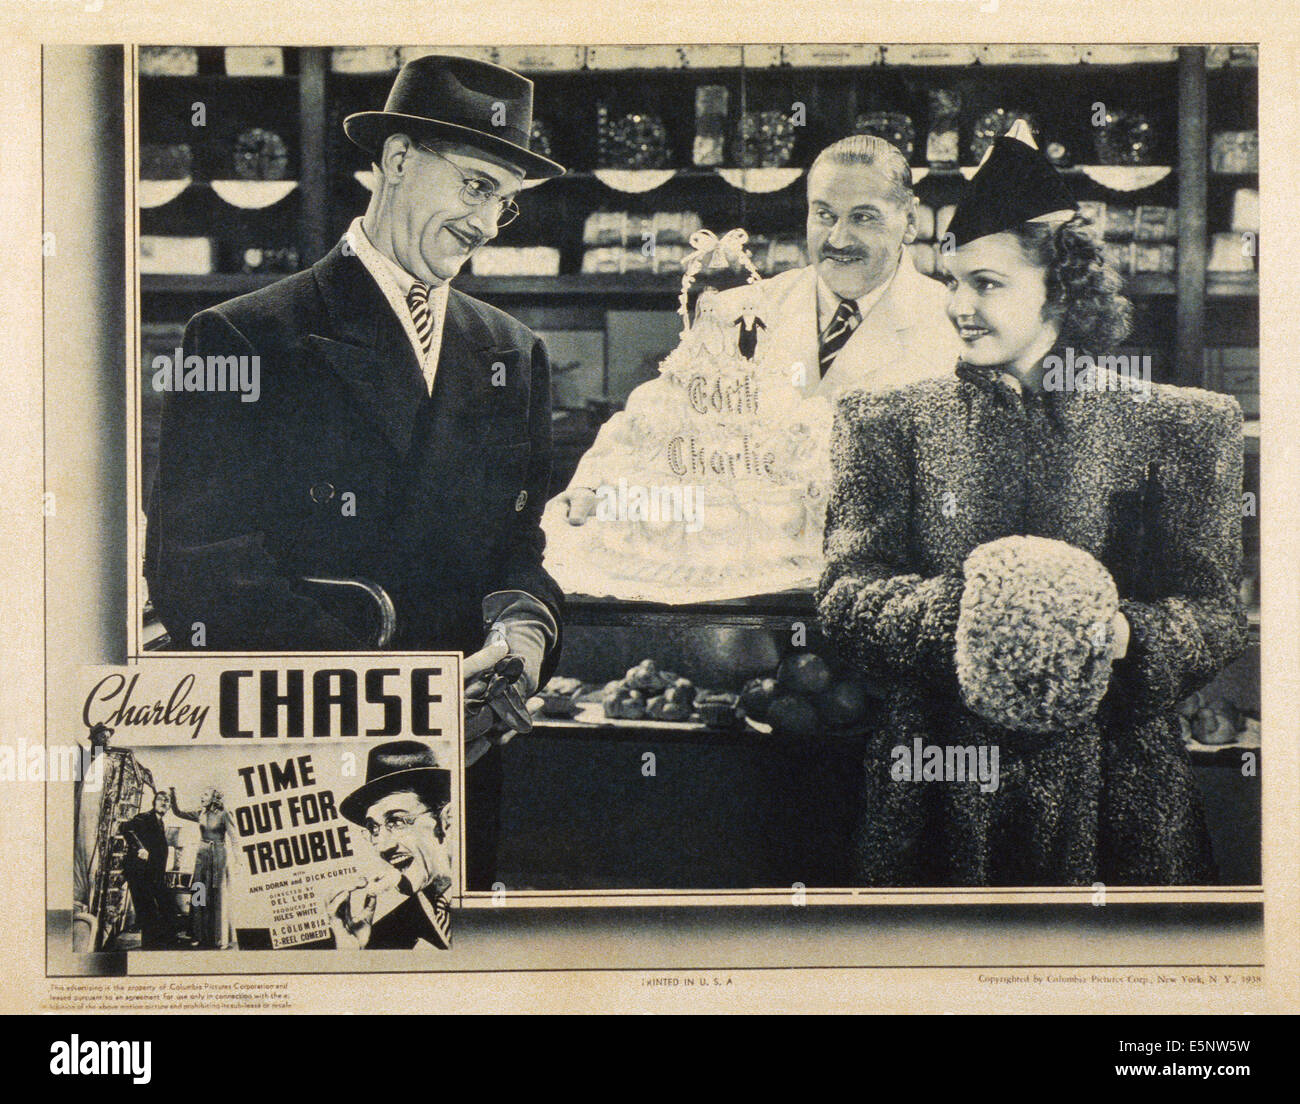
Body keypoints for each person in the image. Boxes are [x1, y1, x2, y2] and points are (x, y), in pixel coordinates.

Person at [143, 55, 568, 888]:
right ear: (400, 161)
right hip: (305, 772)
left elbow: (519, 547)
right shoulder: (240, 337)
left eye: (505, 203)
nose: (487, 224)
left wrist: (522, 637)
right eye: (476, 187)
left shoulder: (516, 353)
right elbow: (196, 570)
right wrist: (394, 692)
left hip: (462, 764)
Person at [816, 121, 1246, 886]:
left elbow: (1214, 613)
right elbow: (846, 597)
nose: (959, 306)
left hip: (1119, 795)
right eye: (952, 281)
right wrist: (972, 614)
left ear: (1062, 289)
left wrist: (1121, 636)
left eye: (988, 283)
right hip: (937, 785)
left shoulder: (1181, 426)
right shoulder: (886, 422)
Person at [559, 132, 961, 526]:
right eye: (824, 214)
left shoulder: (954, 324)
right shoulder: (740, 309)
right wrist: (597, 483)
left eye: (863, 217)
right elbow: (662, 409)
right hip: (755, 562)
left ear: (909, 221)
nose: (838, 238)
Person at [329, 741, 455, 950]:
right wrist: (351, 954)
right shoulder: (385, 933)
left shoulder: (488, 889)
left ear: (447, 821)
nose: (383, 847)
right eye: (373, 828)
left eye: (396, 821)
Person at [170, 785, 238, 948]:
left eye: (205, 794)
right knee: (199, 891)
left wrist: (238, 859)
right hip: (202, 854)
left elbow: (234, 837)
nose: (202, 797)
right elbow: (178, 812)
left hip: (218, 854)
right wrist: (173, 794)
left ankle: (219, 938)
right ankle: (198, 935)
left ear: (214, 798)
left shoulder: (224, 814)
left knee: (217, 894)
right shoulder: (200, 813)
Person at [119, 790, 181, 949]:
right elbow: (125, 827)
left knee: (164, 906)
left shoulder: (160, 822)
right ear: (154, 802)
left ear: (169, 807)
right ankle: (151, 946)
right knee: (147, 910)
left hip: (152, 873)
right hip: (139, 872)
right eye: (161, 799)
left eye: (167, 801)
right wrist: (139, 848)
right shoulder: (145, 817)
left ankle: (156, 944)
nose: (164, 803)